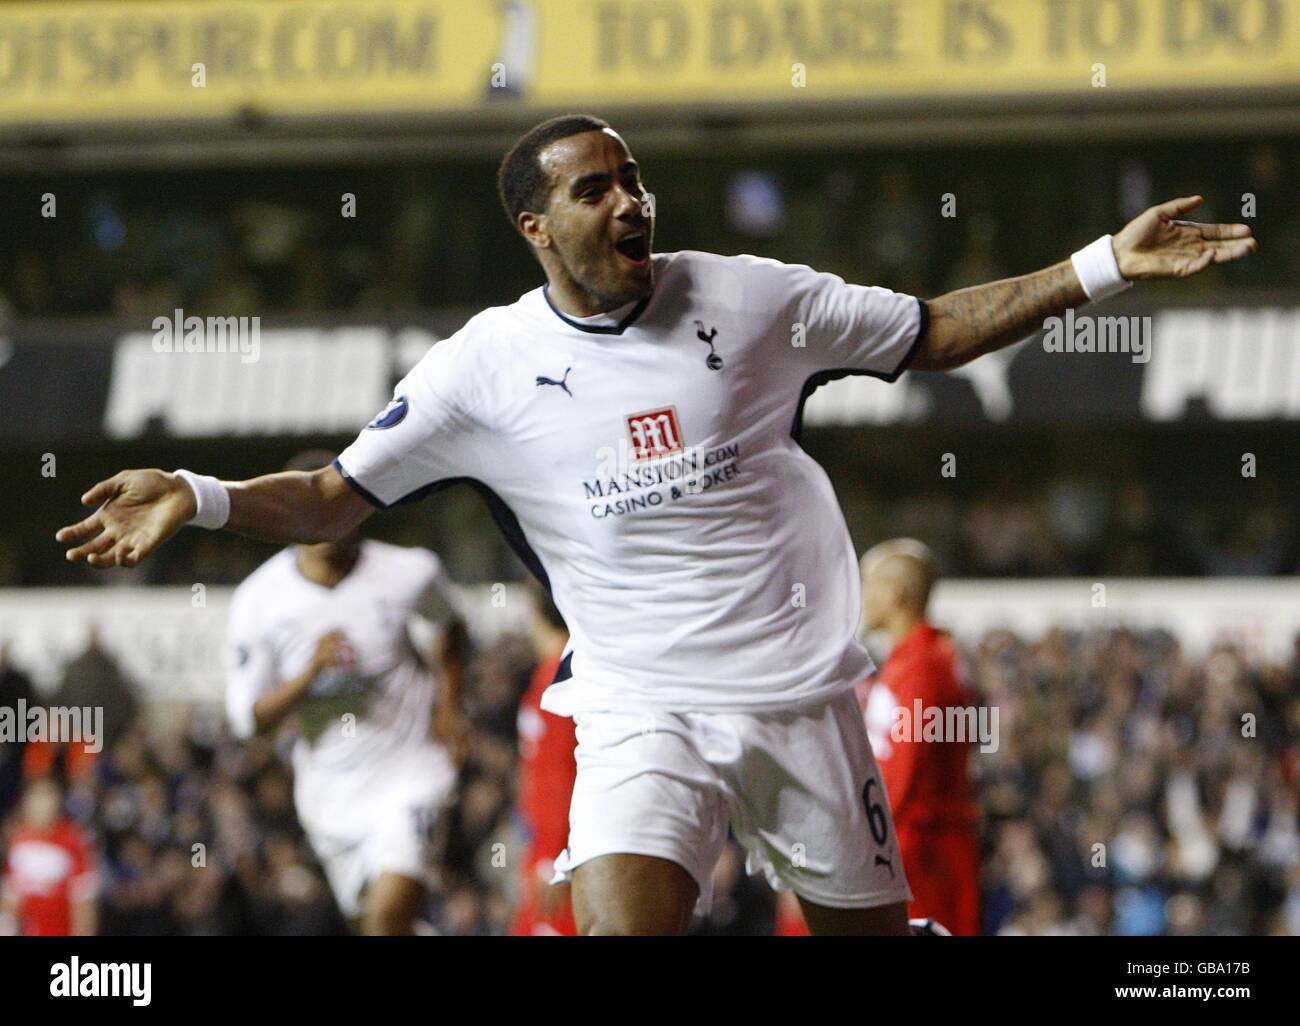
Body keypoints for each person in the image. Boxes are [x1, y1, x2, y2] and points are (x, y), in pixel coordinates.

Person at [57, 114, 1256, 935]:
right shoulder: (483, 368)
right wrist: (202, 494)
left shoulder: (747, 296)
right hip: (637, 703)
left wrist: (1098, 264)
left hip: (796, 698)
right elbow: (335, 495)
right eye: (596, 189)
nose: (631, 200)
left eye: (633, 180)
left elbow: (930, 331)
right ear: (536, 226)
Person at [223, 451, 468, 935]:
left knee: (387, 917)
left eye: (343, 503)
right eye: (317, 506)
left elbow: (450, 628)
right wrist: (309, 673)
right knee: (375, 926)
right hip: (330, 797)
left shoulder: (409, 571)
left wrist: (449, 707)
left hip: (411, 776)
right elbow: (249, 720)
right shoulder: (259, 599)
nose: (333, 518)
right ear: (290, 515)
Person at [858, 539, 981, 936]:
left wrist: (864, 846)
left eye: (867, 584)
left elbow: (905, 771)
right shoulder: (912, 658)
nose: (860, 597)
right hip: (909, 849)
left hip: (920, 857)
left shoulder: (924, 665)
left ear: (896, 594)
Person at [511, 585, 578, 936]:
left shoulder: (561, 678)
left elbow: (560, 774)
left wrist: (552, 857)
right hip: (546, 845)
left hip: (560, 854)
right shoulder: (550, 674)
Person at [1, 775, 98, 936]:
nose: (42, 804)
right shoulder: (16, 841)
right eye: (36, 796)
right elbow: (10, 899)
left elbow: (83, 904)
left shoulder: (73, 841)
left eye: (48, 796)